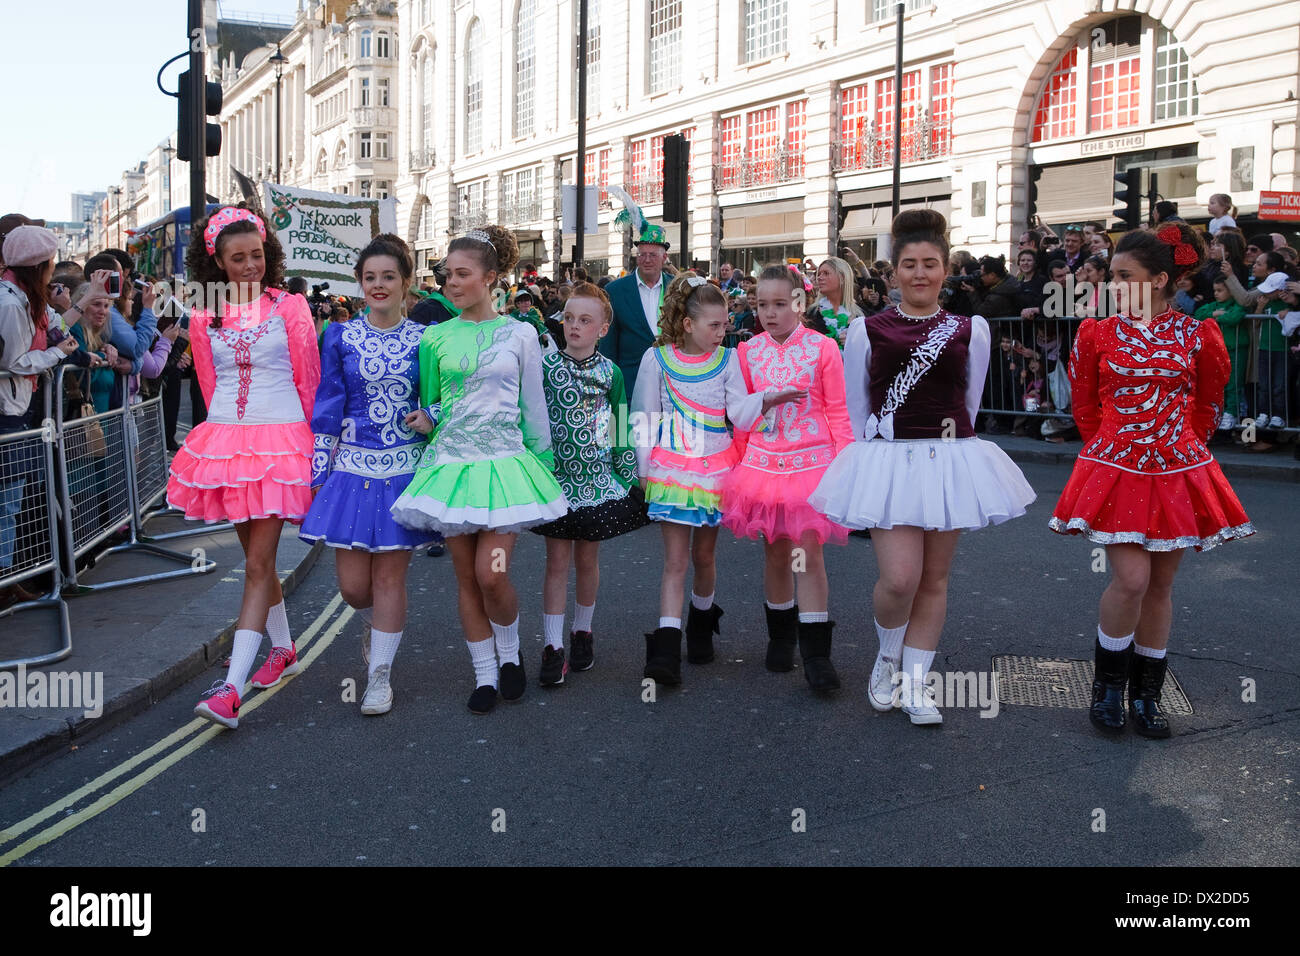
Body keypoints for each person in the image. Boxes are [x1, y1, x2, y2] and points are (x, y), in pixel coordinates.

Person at [808, 209, 1036, 726]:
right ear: (894, 272)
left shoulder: (968, 328)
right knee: (899, 578)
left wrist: (950, 446)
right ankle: (888, 657)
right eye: (908, 264)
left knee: (934, 578)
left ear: (944, 269)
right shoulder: (869, 330)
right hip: (889, 460)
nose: (919, 273)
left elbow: (970, 401)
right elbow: (857, 405)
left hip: (950, 460)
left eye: (930, 264)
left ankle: (916, 684)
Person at [1049, 223, 1253, 738]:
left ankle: (1147, 694)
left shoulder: (1196, 333)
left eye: (1124, 276)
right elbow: (1086, 405)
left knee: (1160, 586)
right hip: (1117, 469)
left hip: (1178, 468)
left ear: (1160, 279)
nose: (1112, 285)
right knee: (1133, 580)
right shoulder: (1097, 332)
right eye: (1112, 276)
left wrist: (1186, 448)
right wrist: (1110, 452)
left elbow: (1209, 401)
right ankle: (1109, 688)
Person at [389, 226, 567, 715]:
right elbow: (437, 404)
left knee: (492, 574)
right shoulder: (436, 336)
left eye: (462, 274)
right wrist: (427, 419)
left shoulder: (522, 332)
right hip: (450, 465)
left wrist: (545, 466)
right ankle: (485, 674)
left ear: (490, 279)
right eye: (448, 273)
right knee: (466, 578)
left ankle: (510, 653)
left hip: (505, 464)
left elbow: (535, 407)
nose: (451, 282)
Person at [167, 205, 321, 729]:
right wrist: (218, 443)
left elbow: (309, 379)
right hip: (228, 445)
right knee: (255, 560)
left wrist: (316, 450)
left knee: (258, 565)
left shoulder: (292, 306)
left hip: (281, 444)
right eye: (239, 258)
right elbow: (208, 386)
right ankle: (284, 649)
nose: (251, 265)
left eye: (257, 254)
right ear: (218, 263)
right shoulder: (202, 313)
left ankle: (230, 689)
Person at [631, 273, 803, 685]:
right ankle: (667, 648)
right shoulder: (656, 359)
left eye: (725, 323)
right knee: (674, 562)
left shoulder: (728, 360)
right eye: (714, 325)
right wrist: (642, 469)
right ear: (688, 324)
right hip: (672, 468)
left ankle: (701, 622)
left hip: (715, 467)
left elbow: (740, 412)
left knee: (704, 556)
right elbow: (642, 416)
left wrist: (767, 399)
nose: (722, 331)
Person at [300, 235, 435, 716]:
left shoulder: (426, 340)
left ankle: (379, 675)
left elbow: (440, 395)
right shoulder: (338, 336)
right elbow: (327, 404)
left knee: (390, 579)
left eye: (389, 277)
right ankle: (377, 629)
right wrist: (319, 468)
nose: (379, 285)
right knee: (354, 587)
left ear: (406, 283)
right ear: (359, 284)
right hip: (351, 468)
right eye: (370, 277)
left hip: (404, 468)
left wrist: (432, 415)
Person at [723, 266, 853, 691]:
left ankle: (816, 652)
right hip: (762, 465)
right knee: (776, 553)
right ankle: (781, 638)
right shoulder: (748, 351)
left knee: (809, 555)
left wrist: (846, 465)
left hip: (812, 465)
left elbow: (837, 410)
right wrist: (741, 465)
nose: (769, 313)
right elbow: (740, 418)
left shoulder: (823, 348)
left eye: (780, 304)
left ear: (799, 303)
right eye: (762, 305)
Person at [530, 282, 647, 685]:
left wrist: (627, 473)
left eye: (585, 320)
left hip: (597, 484)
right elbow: (530, 418)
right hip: (555, 483)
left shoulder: (610, 372)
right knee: (556, 563)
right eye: (569, 318)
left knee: (587, 561)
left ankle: (582, 632)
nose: (574, 326)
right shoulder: (544, 368)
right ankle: (552, 645)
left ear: (602, 329)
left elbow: (619, 425)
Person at [0, 227, 111, 606]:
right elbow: (15, 362)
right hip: (8, 412)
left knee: (13, 501)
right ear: (38, 267)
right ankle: (6, 580)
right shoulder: (11, 305)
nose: (51, 272)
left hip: (19, 408)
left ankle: (10, 577)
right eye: (48, 264)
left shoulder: (23, 298)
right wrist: (58, 354)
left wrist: (84, 303)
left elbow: (56, 327)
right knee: (9, 502)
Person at [600, 221, 672, 396]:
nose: (646, 260)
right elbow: (608, 344)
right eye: (642, 254)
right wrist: (610, 388)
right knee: (626, 424)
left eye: (653, 255)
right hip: (629, 385)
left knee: (666, 424)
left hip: (672, 384)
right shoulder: (615, 291)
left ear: (664, 258)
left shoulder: (677, 287)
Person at [1193, 279, 1248, 429]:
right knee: (1218, 384)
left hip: (1235, 350)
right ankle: (1219, 414)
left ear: (1230, 291)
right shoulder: (1214, 306)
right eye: (1215, 290)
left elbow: (1235, 317)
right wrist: (1214, 314)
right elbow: (1198, 314)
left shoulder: (1237, 304)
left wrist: (1217, 318)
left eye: (1220, 290)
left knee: (1233, 383)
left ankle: (1231, 413)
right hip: (1217, 351)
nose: (1216, 294)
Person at [808, 257, 863, 348]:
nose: (819, 278)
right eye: (819, 274)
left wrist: (855, 342)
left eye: (826, 273)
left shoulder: (861, 316)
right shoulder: (810, 314)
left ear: (842, 277)